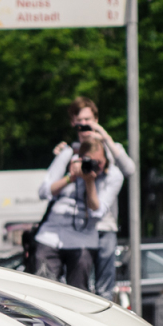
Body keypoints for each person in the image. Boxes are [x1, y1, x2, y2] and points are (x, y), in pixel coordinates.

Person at [51, 97, 135, 299]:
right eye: (80, 122)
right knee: (78, 288)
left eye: (89, 121)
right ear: (73, 123)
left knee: (105, 289)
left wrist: (104, 136)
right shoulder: (70, 152)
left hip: (104, 226)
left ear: (96, 120)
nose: (85, 126)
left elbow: (130, 170)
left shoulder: (110, 150)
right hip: (78, 227)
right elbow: (52, 187)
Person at [34, 138, 119, 290]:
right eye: (89, 161)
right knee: (42, 289)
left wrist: (89, 182)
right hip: (51, 235)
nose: (95, 166)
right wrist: (69, 178)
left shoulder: (113, 175)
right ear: (80, 158)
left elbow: (97, 211)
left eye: (99, 162)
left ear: (106, 158)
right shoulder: (68, 159)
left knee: (78, 293)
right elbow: (43, 192)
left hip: (82, 240)